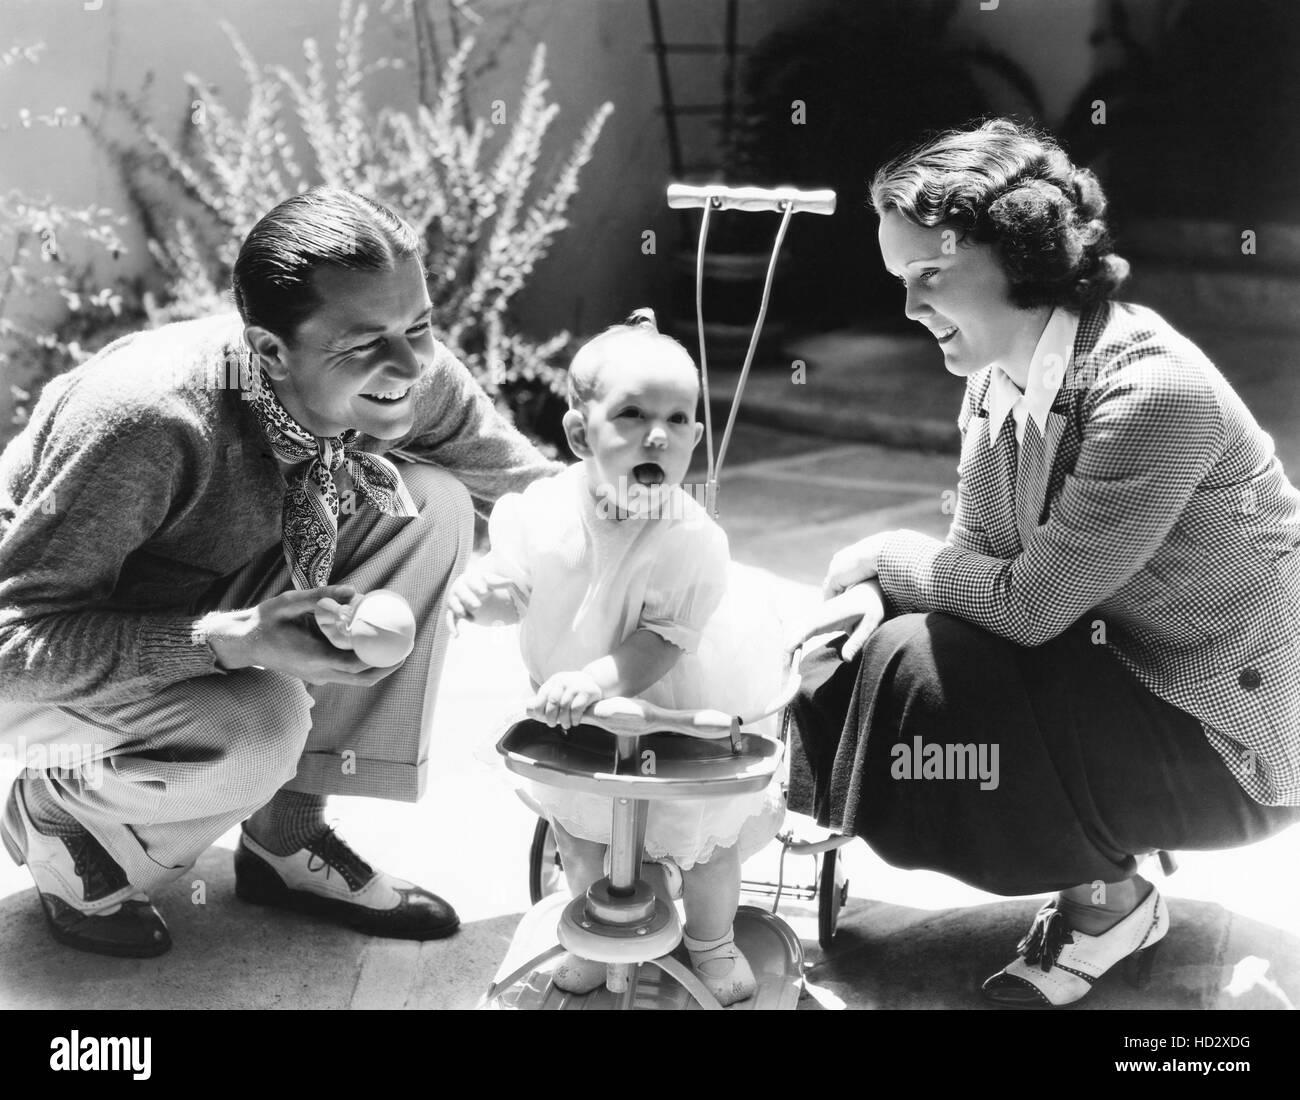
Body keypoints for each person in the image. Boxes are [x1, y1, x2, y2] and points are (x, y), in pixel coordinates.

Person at [783, 118, 1300, 1007]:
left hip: (1237, 739)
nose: (909, 310)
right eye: (899, 281)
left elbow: (1025, 606)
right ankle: (1095, 876)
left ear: (1020, 252)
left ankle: (1110, 907)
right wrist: (874, 593)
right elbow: (978, 564)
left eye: (930, 275)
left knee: (934, 679)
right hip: (1126, 672)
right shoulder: (995, 377)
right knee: (881, 645)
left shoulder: (1149, 390)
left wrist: (878, 554)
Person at [0, 186, 562, 957]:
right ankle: (57, 809)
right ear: (268, 350)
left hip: (202, 605)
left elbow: (547, 500)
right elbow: (13, 643)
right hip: (53, 660)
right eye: (365, 343)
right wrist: (234, 640)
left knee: (432, 503)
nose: (409, 362)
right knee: (260, 730)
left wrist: (680, 576)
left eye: (420, 325)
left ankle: (285, 840)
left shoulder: (407, 371)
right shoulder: (149, 420)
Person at [447, 310, 784, 1005]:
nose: (656, 433)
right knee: (581, 833)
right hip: (572, 716)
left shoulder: (689, 539)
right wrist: (485, 593)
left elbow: (658, 642)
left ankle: (712, 949)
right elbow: (516, 591)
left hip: (672, 708)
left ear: (694, 435)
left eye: (676, 418)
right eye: (631, 415)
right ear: (579, 433)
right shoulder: (539, 512)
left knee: (701, 845)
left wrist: (596, 679)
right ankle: (601, 938)